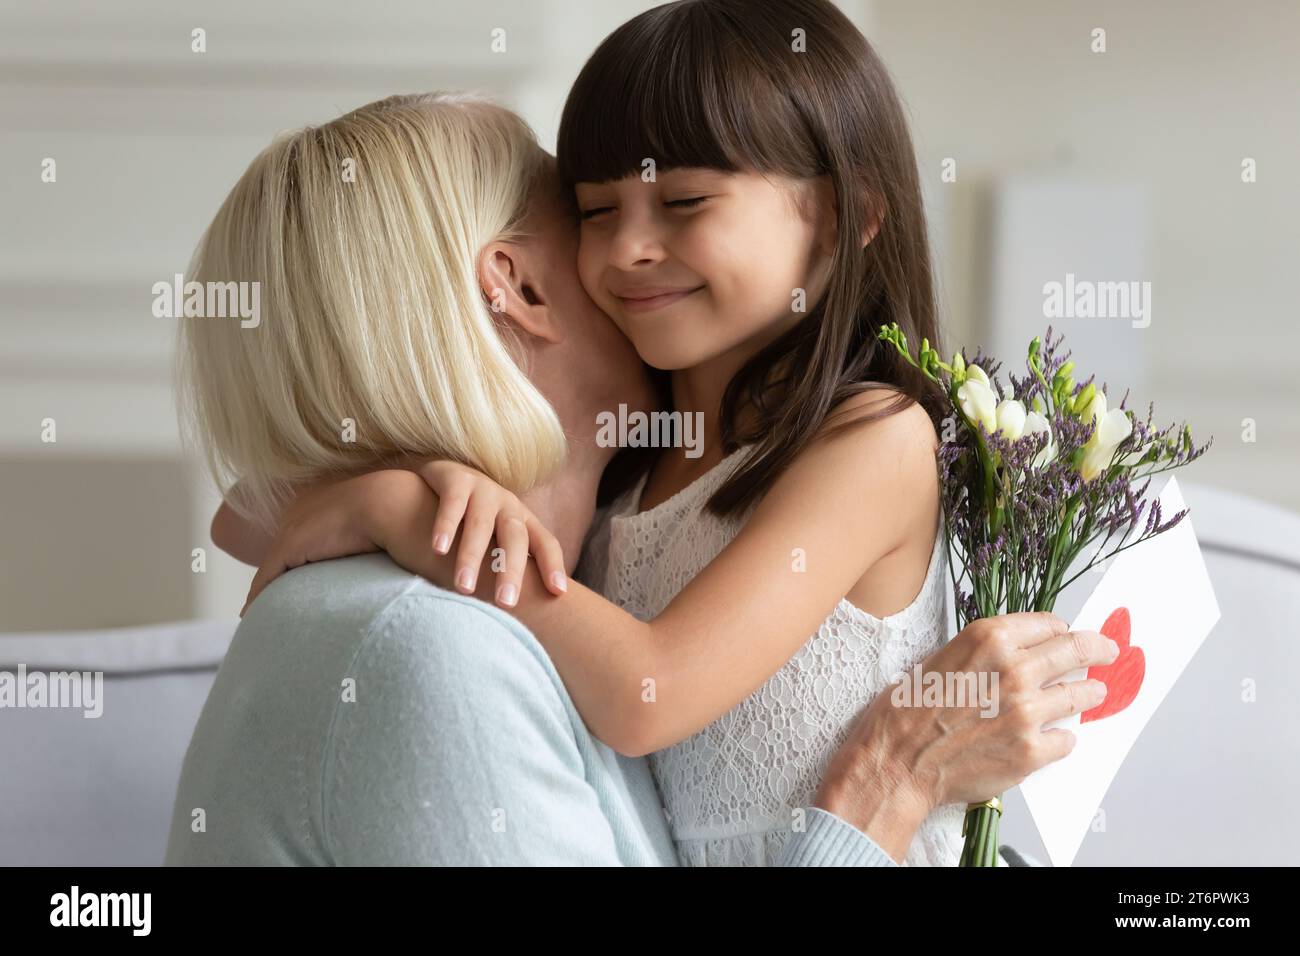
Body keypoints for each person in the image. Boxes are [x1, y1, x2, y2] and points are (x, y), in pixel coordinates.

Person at [167, 88, 1117, 866]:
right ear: (525, 289)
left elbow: (244, 518)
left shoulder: (422, 589)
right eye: (585, 218)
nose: (630, 259)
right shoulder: (427, 650)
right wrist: (889, 784)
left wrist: (375, 496)